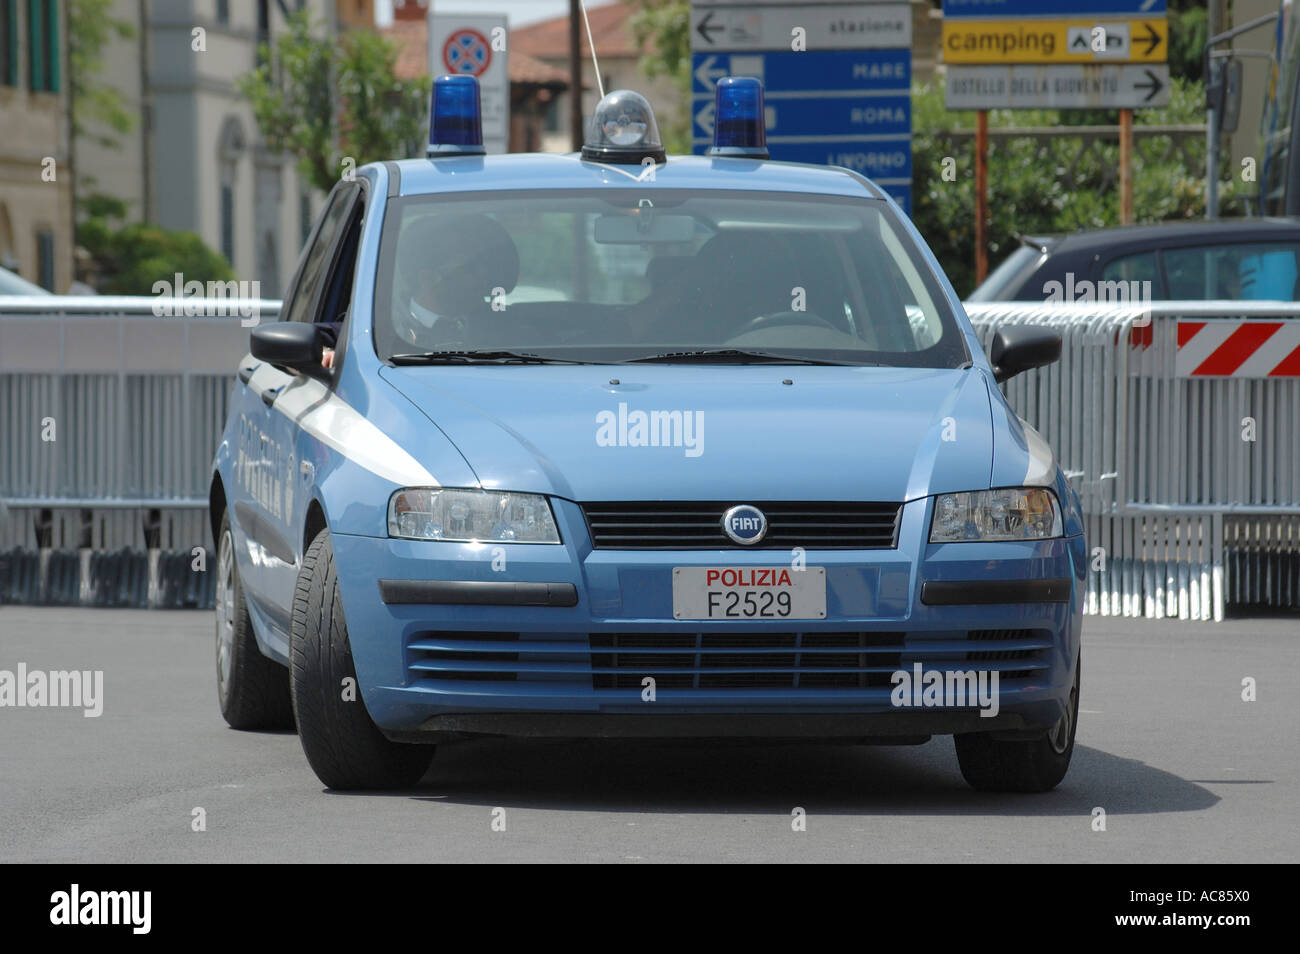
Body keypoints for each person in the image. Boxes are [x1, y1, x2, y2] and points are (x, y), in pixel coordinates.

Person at [320, 212, 520, 368]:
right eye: (468, 269)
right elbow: (308, 339)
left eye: (483, 267)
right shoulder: (373, 328)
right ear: (428, 278)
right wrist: (332, 353)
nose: (482, 278)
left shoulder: (502, 325)